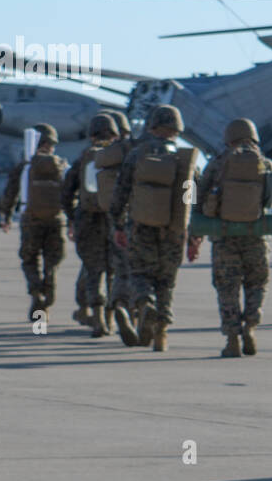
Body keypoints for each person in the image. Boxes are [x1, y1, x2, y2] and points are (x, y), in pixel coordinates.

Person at [110, 104, 200, 352]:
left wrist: (118, 224)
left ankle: (144, 303)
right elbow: (193, 200)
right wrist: (194, 236)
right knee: (166, 282)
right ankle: (161, 333)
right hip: (173, 230)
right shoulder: (186, 160)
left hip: (140, 227)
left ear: (152, 125)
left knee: (140, 273)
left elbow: (121, 192)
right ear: (176, 129)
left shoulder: (136, 154)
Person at [192, 118, 272, 357]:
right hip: (256, 236)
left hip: (224, 236)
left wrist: (196, 232)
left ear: (228, 137)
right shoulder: (266, 163)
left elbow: (199, 196)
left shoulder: (218, 162)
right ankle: (250, 327)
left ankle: (232, 339)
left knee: (226, 288)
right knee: (256, 284)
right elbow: (270, 199)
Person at [0, 123, 68, 319]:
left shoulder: (24, 167)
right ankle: (50, 283)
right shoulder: (60, 165)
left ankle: (36, 292)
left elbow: (10, 193)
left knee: (30, 260)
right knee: (52, 260)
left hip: (30, 219)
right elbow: (70, 193)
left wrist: (6, 217)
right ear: (51, 144)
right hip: (56, 220)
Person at [62, 113, 117, 337]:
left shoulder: (83, 158)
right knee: (113, 270)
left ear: (91, 134)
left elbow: (66, 193)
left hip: (87, 220)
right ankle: (111, 317)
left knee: (94, 270)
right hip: (113, 220)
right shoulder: (120, 156)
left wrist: (73, 218)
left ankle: (98, 318)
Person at [99, 111, 137, 341]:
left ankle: (118, 307)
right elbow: (190, 182)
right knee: (151, 274)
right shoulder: (143, 150)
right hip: (152, 221)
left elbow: (118, 194)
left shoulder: (104, 156)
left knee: (120, 271)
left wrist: (117, 222)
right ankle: (145, 315)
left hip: (119, 221)